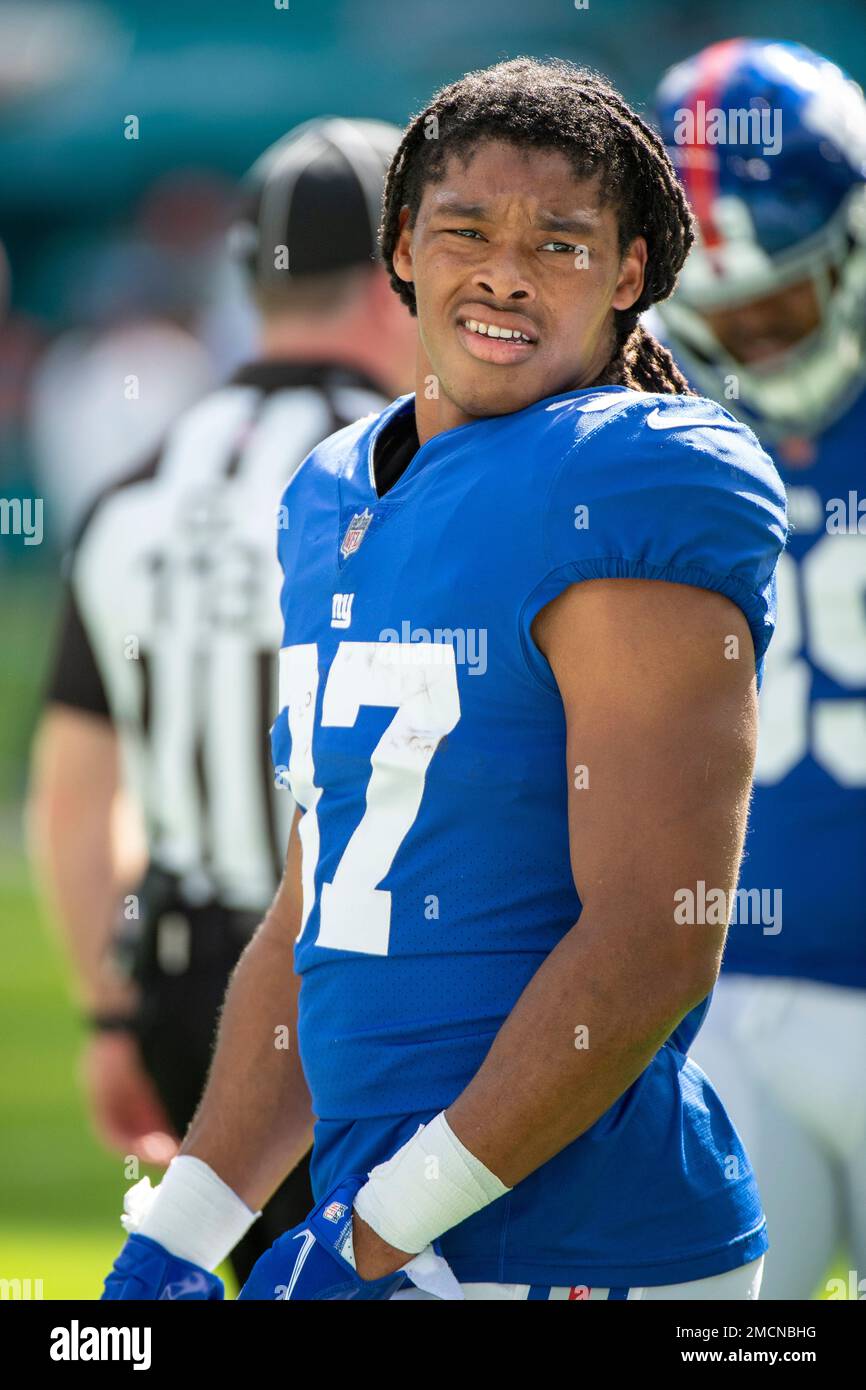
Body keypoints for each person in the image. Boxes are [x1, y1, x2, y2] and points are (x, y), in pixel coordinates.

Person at [101, 57, 786, 1303]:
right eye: (464, 228)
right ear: (401, 247)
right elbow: (324, 910)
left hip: (589, 1251)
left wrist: (376, 1233)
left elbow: (654, 937)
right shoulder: (329, 490)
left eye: (560, 242)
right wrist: (186, 1224)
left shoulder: (636, 474)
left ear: (630, 273)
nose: (505, 270)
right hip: (404, 1229)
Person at [29, 115, 416, 1287]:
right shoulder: (407, 474)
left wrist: (110, 1010)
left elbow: (72, 800)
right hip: (374, 984)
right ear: (404, 269)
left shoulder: (136, 489)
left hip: (187, 987)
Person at [653, 38, 866, 1299]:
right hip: (721, 1002)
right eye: (727, 323)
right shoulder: (653, 437)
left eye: (781, 305)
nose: (764, 347)